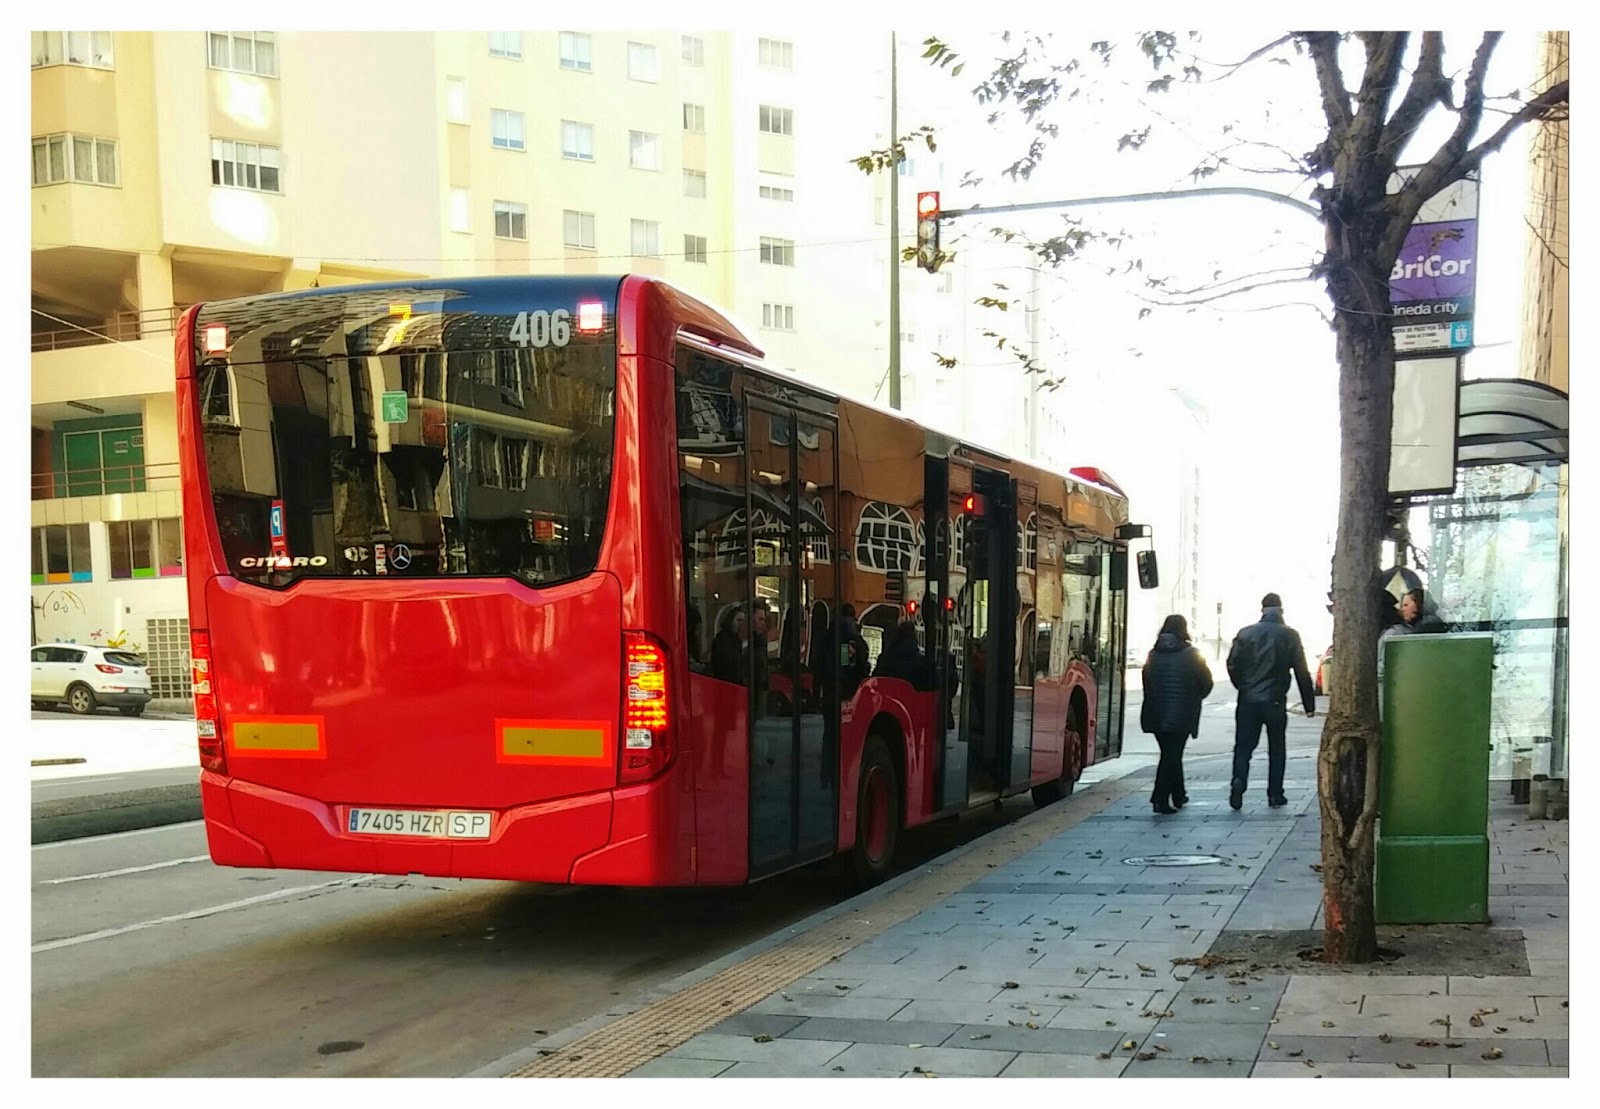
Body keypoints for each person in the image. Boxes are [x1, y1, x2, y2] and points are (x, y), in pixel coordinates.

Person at [1225, 592, 1316, 810]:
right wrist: (1309, 705)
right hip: (1275, 700)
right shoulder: (1290, 635)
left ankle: (1239, 781)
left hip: (1248, 700)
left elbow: (1232, 664)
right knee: (1277, 748)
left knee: (1243, 746)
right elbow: (1302, 671)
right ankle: (1275, 794)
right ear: (1281, 610)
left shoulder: (1245, 634)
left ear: (1262, 610)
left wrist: (1244, 686)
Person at [1140, 614, 1213, 815]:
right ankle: (1160, 798)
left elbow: (1147, 683)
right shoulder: (1192, 654)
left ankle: (1179, 794)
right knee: (1171, 755)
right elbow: (1206, 683)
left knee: (1171, 754)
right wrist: (1194, 697)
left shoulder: (1153, 654)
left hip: (1156, 714)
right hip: (1182, 714)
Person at [873, 620, 937, 690]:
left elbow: (876, 680)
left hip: (887, 698)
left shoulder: (884, 658)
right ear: (914, 636)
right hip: (912, 699)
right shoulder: (922, 662)